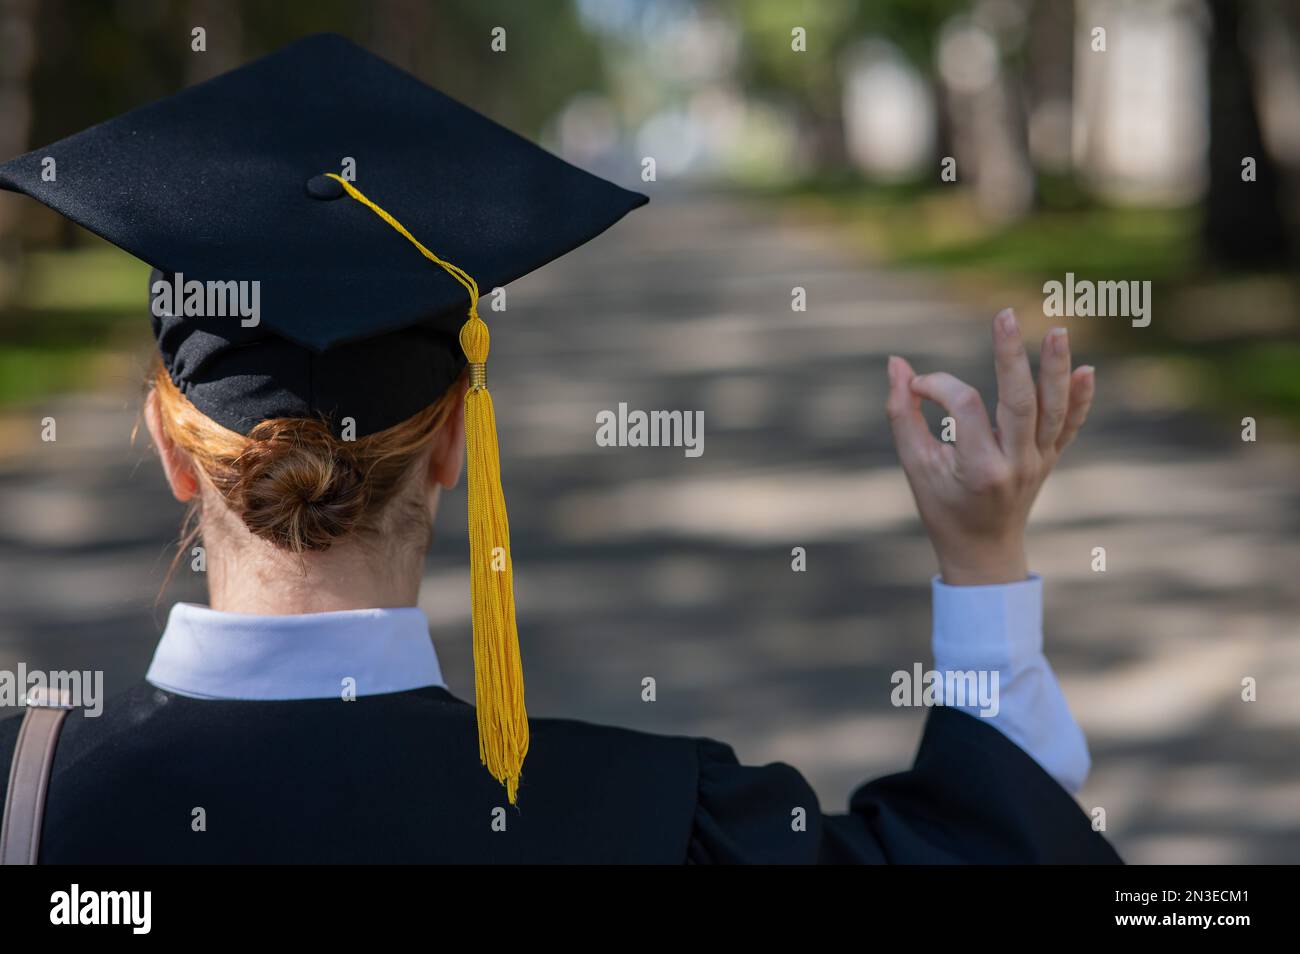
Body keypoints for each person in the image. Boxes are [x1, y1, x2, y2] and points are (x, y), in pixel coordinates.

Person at [0, 34, 1118, 864]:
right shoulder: (647, 821)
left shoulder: (28, 806)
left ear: (171, 449)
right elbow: (990, 853)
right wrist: (983, 560)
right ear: (451, 442)